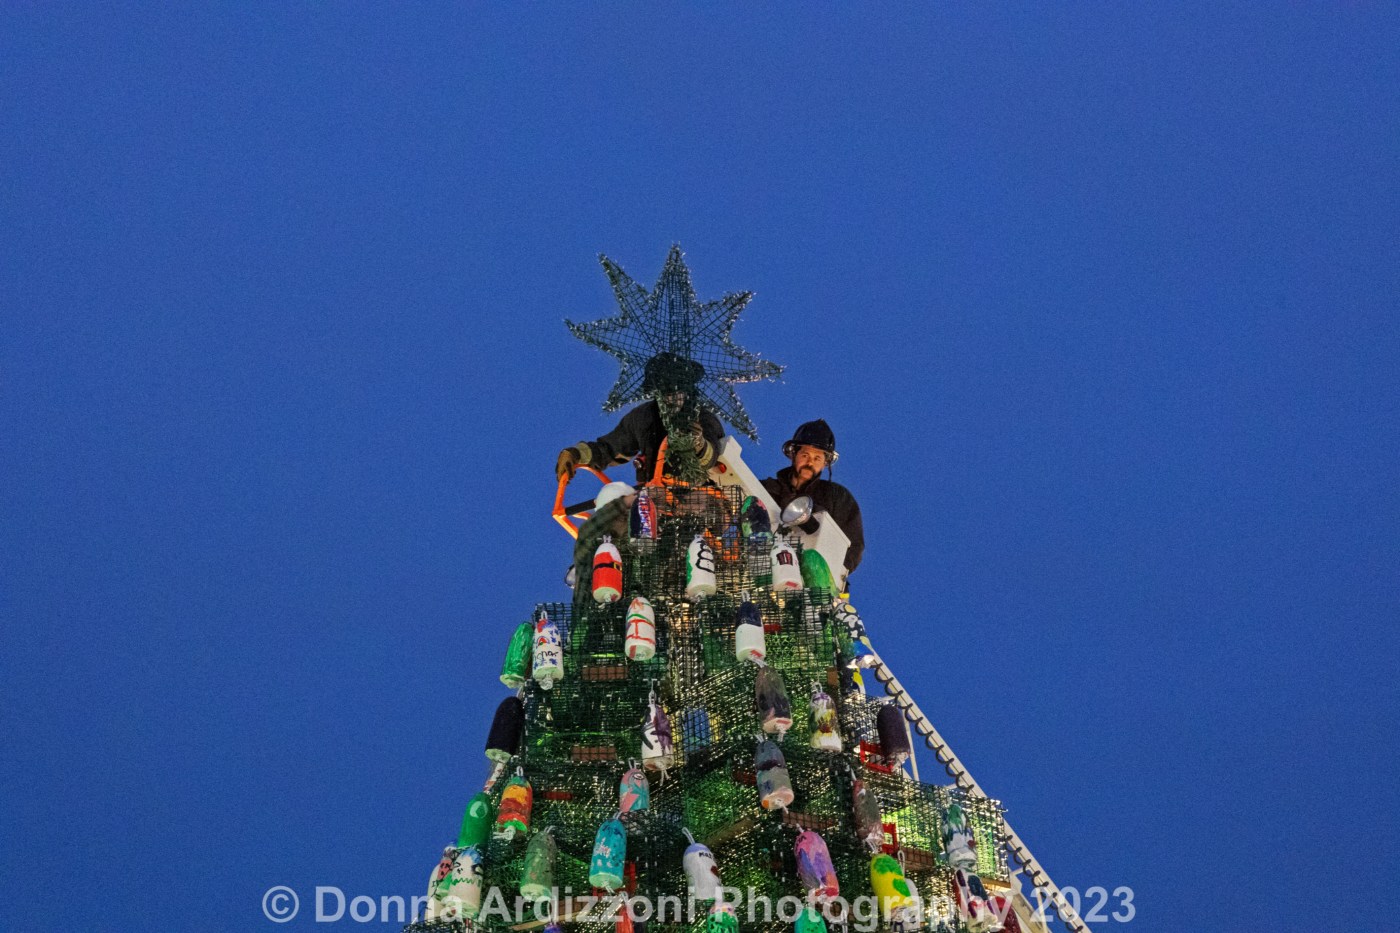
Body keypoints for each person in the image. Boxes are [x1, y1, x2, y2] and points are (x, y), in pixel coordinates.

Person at [556, 353, 724, 486]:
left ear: (687, 389)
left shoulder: (703, 418)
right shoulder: (644, 418)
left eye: (677, 390)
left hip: (699, 494)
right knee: (612, 511)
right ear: (656, 393)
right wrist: (575, 454)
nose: (672, 398)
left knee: (693, 506)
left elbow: (711, 456)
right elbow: (608, 449)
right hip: (654, 498)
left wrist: (699, 445)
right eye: (665, 392)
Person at [762, 419, 864, 574]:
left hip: (814, 585)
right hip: (762, 570)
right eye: (805, 454)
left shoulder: (837, 497)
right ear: (793, 455)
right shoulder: (767, 489)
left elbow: (853, 547)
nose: (810, 462)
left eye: (817, 458)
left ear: (825, 464)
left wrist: (829, 572)